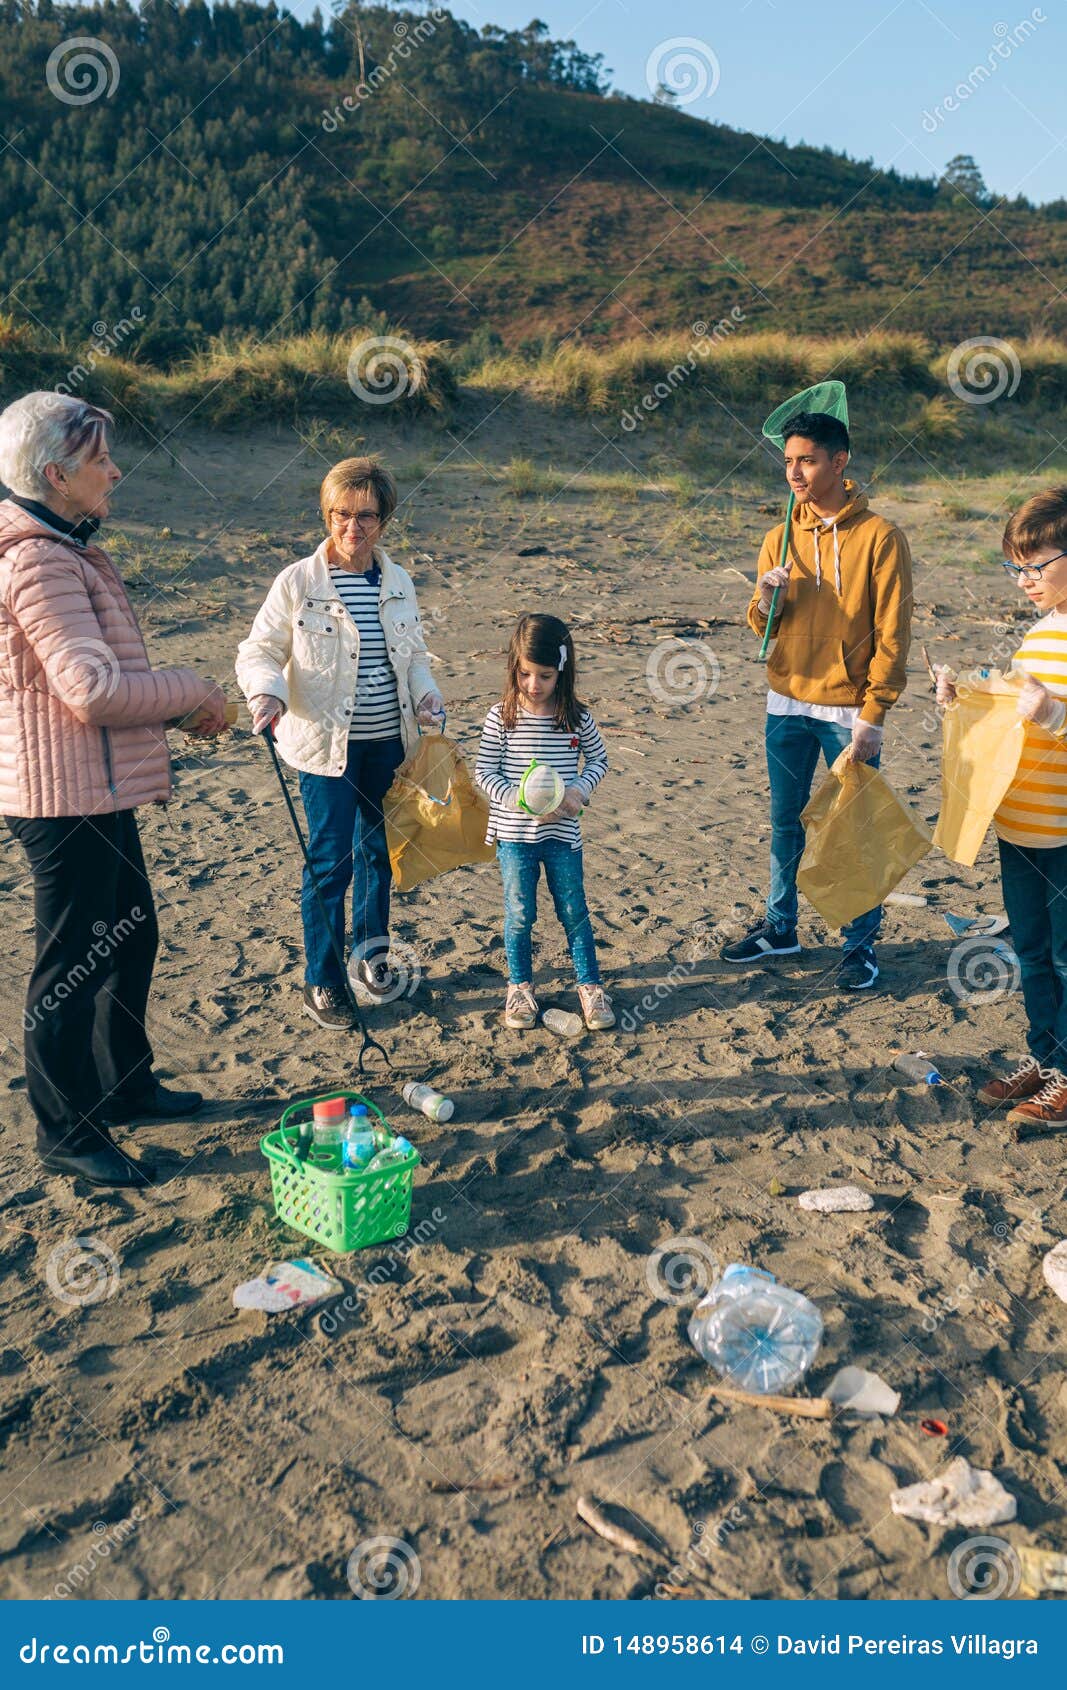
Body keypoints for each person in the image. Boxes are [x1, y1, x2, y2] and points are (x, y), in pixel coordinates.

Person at [0, 393, 227, 1187]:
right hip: (60, 799)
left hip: (90, 788)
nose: (115, 472)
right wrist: (192, 691)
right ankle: (67, 1130)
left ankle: (124, 1086)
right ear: (57, 475)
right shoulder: (37, 559)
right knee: (69, 966)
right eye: (100, 460)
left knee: (130, 934)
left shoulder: (64, 548)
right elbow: (91, 691)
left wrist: (175, 701)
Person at [236, 456, 444, 1028]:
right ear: (326, 515)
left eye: (367, 516)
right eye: (341, 515)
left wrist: (426, 696)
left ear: (385, 520)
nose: (353, 528)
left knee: (379, 856)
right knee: (330, 865)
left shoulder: (397, 580)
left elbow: (416, 656)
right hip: (325, 750)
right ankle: (323, 982)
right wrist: (267, 695)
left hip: (388, 745)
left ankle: (371, 957)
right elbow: (257, 651)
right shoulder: (298, 582)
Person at [721, 410, 913, 991]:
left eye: (806, 460)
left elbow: (893, 635)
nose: (795, 473)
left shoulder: (881, 537)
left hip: (848, 711)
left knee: (850, 828)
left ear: (839, 461)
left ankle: (859, 944)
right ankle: (782, 927)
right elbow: (763, 628)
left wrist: (874, 715)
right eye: (787, 462)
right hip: (786, 703)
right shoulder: (779, 536)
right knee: (786, 823)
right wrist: (763, 595)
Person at [936, 488, 1067, 1129]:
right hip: (1021, 827)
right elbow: (1011, 719)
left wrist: (1055, 713)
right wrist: (963, 700)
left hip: (1065, 832)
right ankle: (1046, 1060)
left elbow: (1049, 716)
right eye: (1014, 568)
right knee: (1035, 952)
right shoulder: (1041, 634)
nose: (1022, 581)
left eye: (1035, 567)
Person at [475, 612, 613, 1030]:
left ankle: (589, 988)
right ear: (514, 668)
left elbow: (600, 760)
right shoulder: (502, 716)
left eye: (546, 676)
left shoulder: (575, 718)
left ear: (562, 672)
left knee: (574, 910)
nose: (534, 685)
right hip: (515, 837)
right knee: (520, 914)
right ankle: (520, 988)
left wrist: (577, 791)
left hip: (563, 835)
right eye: (526, 674)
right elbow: (484, 773)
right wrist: (519, 800)